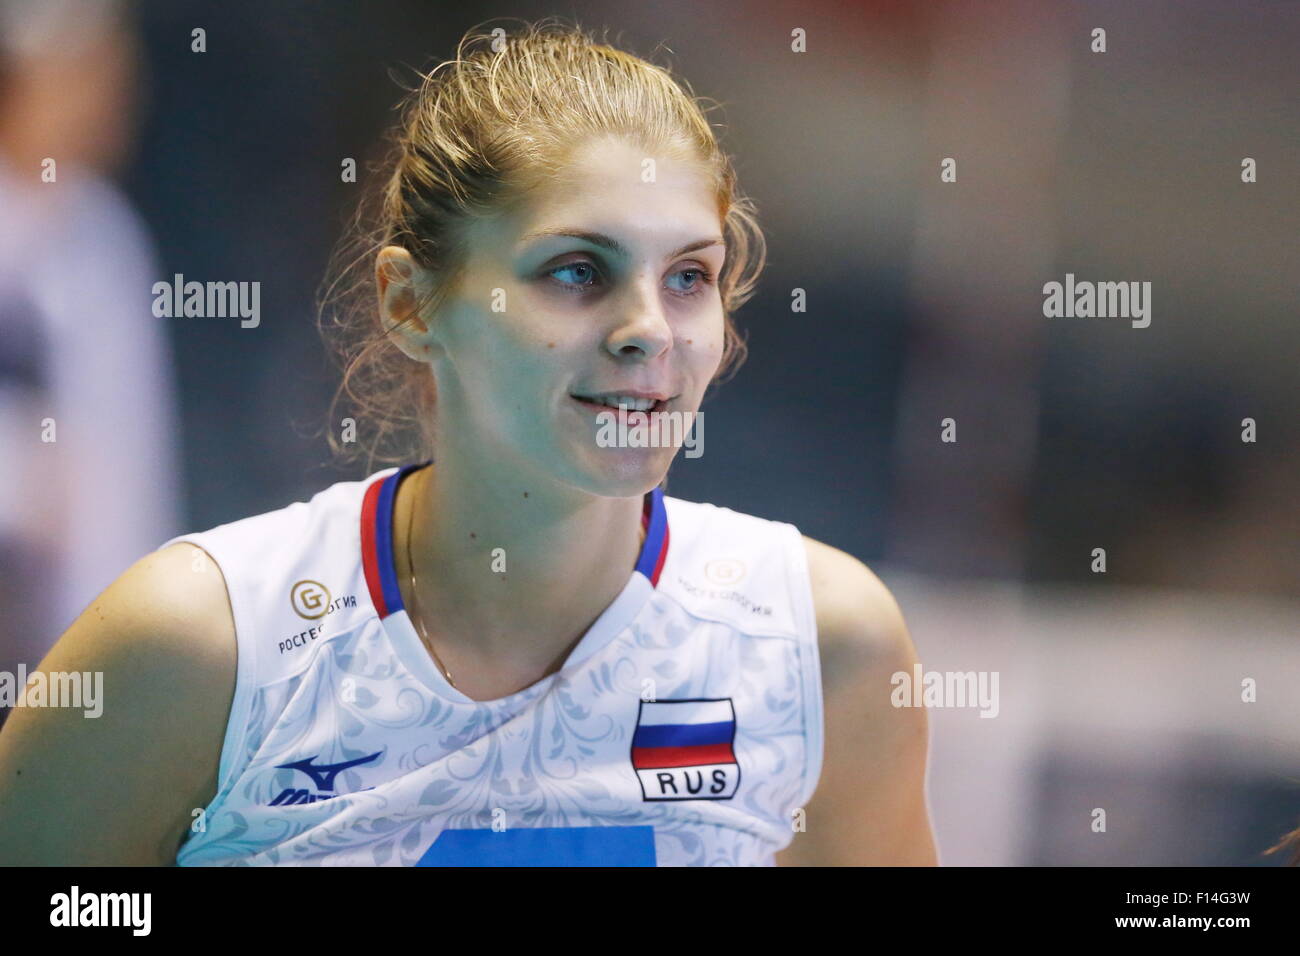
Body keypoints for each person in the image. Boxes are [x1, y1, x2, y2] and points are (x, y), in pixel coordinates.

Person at [0, 20, 936, 866]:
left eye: (690, 276)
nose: (649, 329)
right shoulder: (195, 647)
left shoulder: (821, 647)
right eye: (577, 271)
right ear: (412, 303)